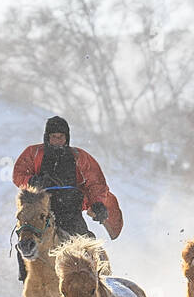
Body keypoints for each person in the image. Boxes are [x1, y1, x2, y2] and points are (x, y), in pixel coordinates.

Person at [12, 116, 123, 282]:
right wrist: (33, 181)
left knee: (87, 241)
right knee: (26, 238)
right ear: (46, 137)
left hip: (70, 210)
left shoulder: (79, 156)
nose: (57, 140)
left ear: (67, 138)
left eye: (61, 137)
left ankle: (100, 280)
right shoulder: (33, 152)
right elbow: (18, 174)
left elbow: (95, 182)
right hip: (42, 210)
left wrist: (97, 203)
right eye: (53, 137)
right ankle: (27, 283)